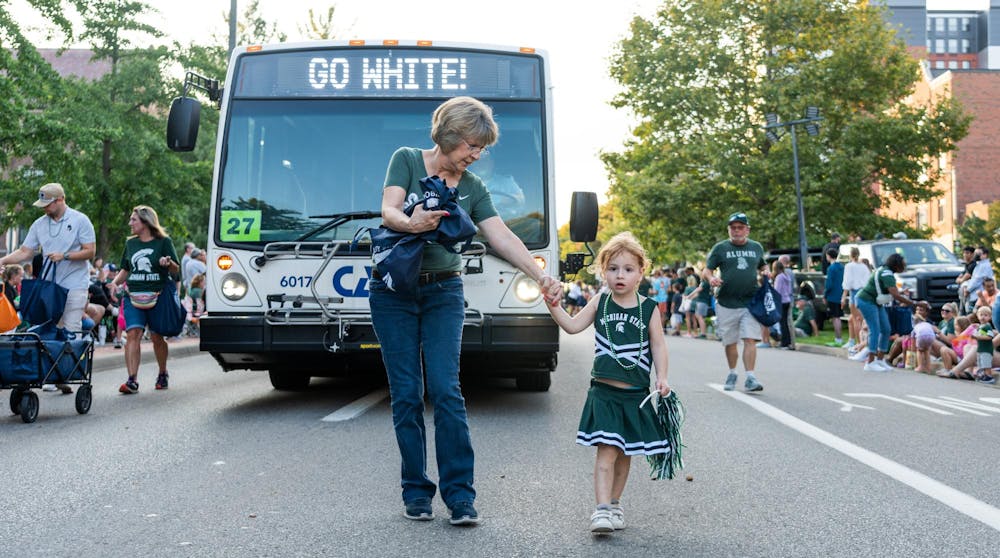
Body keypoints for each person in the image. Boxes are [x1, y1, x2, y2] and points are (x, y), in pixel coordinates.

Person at [368, 96, 562, 526]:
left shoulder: (473, 187)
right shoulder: (406, 160)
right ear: (450, 136)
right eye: (472, 146)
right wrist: (411, 222)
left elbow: (503, 237)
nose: (476, 155)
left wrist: (539, 275)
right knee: (405, 394)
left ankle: (460, 497)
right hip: (394, 293)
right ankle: (416, 492)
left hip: (444, 293)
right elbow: (387, 210)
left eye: (481, 149)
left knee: (446, 390)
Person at [544, 232, 671, 535]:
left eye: (628, 269)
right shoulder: (600, 300)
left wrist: (662, 377)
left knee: (624, 454)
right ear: (604, 272)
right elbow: (573, 326)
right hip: (604, 393)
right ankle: (601, 510)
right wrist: (553, 306)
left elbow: (659, 345)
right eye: (613, 268)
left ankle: (615, 504)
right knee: (607, 452)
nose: (620, 275)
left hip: (635, 395)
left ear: (641, 272)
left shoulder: (649, 307)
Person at [0, 183, 96, 394]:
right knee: (49, 328)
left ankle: (66, 372)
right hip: (50, 286)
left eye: (48, 203)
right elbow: (26, 251)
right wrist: (4, 260)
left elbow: (90, 251)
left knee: (69, 328)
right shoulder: (39, 224)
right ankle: (55, 372)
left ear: (60, 199)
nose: (44, 208)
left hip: (74, 284)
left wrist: (66, 255)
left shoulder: (80, 220)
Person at [107, 206, 181, 394]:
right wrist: (115, 283)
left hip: (158, 295)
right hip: (133, 295)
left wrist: (168, 263)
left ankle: (162, 372)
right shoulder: (131, 244)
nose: (130, 223)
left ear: (146, 222)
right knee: (133, 334)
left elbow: (176, 270)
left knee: (157, 336)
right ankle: (132, 379)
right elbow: (125, 268)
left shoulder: (164, 242)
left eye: (134, 220)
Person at [703, 212, 768, 392]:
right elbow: (707, 270)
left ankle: (751, 377)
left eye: (740, 227)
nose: (736, 231)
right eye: (733, 227)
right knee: (730, 342)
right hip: (726, 302)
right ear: (729, 229)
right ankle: (732, 372)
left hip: (750, 301)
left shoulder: (756, 247)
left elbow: (763, 265)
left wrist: (766, 272)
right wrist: (711, 279)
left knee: (750, 339)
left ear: (747, 230)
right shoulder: (720, 248)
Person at [854, 253, 913, 372]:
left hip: (875, 302)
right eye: (903, 263)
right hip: (866, 300)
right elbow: (895, 295)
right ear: (896, 265)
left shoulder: (885, 271)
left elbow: (889, 290)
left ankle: (879, 360)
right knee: (875, 329)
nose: (905, 266)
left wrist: (901, 293)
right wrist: (915, 304)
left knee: (886, 329)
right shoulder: (887, 274)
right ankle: (870, 362)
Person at [841, 246, 870, 352]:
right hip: (864, 292)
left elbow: (847, 283)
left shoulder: (849, 266)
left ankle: (858, 344)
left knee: (856, 319)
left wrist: (843, 297)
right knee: (860, 319)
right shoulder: (863, 267)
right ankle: (858, 342)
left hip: (854, 292)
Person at [823, 248, 845, 345]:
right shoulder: (842, 267)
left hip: (832, 295)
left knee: (835, 317)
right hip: (840, 294)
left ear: (829, 256)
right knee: (838, 317)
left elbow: (829, 284)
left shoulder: (831, 268)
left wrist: (825, 295)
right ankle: (839, 338)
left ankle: (838, 338)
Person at [972, 306, 997, 383]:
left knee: (986, 364)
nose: (983, 317)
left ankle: (989, 377)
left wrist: (977, 337)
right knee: (981, 363)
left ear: (989, 317)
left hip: (986, 349)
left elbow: (990, 337)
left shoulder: (987, 327)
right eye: (981, 315)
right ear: (978, 316)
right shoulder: (980, 327)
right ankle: (983, 376)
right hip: (981, 348)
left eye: (986, 315)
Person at [772, 260, 794, 349]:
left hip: (781, 301)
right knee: (786, 322)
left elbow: (777, 291)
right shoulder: (786, 276)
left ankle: (784, 343)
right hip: (787, 300)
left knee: (782, 323)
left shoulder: (779, 278)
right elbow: (788, 290)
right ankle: (788, 341)